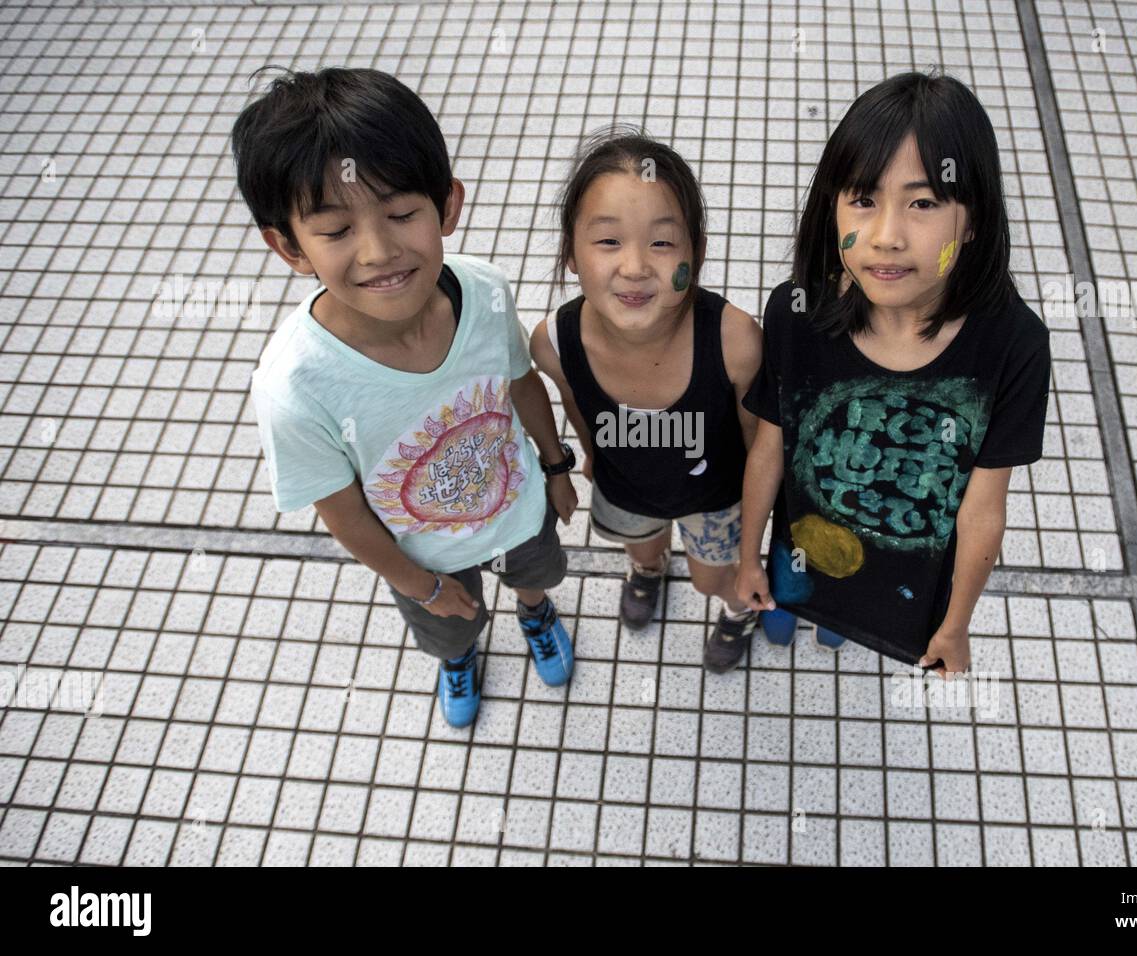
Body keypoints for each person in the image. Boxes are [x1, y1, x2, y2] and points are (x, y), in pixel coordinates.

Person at [233, 67, 579, 727]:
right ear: (287, 245)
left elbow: (519, 380)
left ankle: (534, 614)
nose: (379, 250)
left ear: (447, 205)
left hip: (519, 505)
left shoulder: (481, 291)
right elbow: (345, 516)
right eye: (335, 231)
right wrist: (420, 584)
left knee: (535, 574)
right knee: (451, 625)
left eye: (401, 213)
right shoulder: (294, 387)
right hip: (423, 559)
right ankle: (458, 659)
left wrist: (554, 464)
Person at [737, 72, 1052, 680]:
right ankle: (792, 599)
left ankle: (835, 618)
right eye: (862, 198)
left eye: (924, 202)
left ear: (975, 217)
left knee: (843, 618)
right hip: (798, 545)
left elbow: (983, 511)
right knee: (787, 594)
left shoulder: (1015, 347)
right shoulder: (797, 311)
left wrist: (955, 626)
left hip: (909, 579)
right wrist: (748, 556)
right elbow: (769, 447)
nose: (886, 236)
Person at [530, 129, 764, 674]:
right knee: (641, 547)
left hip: (715, 498)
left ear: (696, 253)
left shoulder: (734, 342)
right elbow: (573, 403)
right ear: (570, 253)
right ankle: (650, 572)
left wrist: (756, 534)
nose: (635, 267)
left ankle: (737, 609)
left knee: (713, 578)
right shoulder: (554, 343)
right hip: (624, 489)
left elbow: (760, 441)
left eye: (662, 243)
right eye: (608, 242)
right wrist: (586, 455)